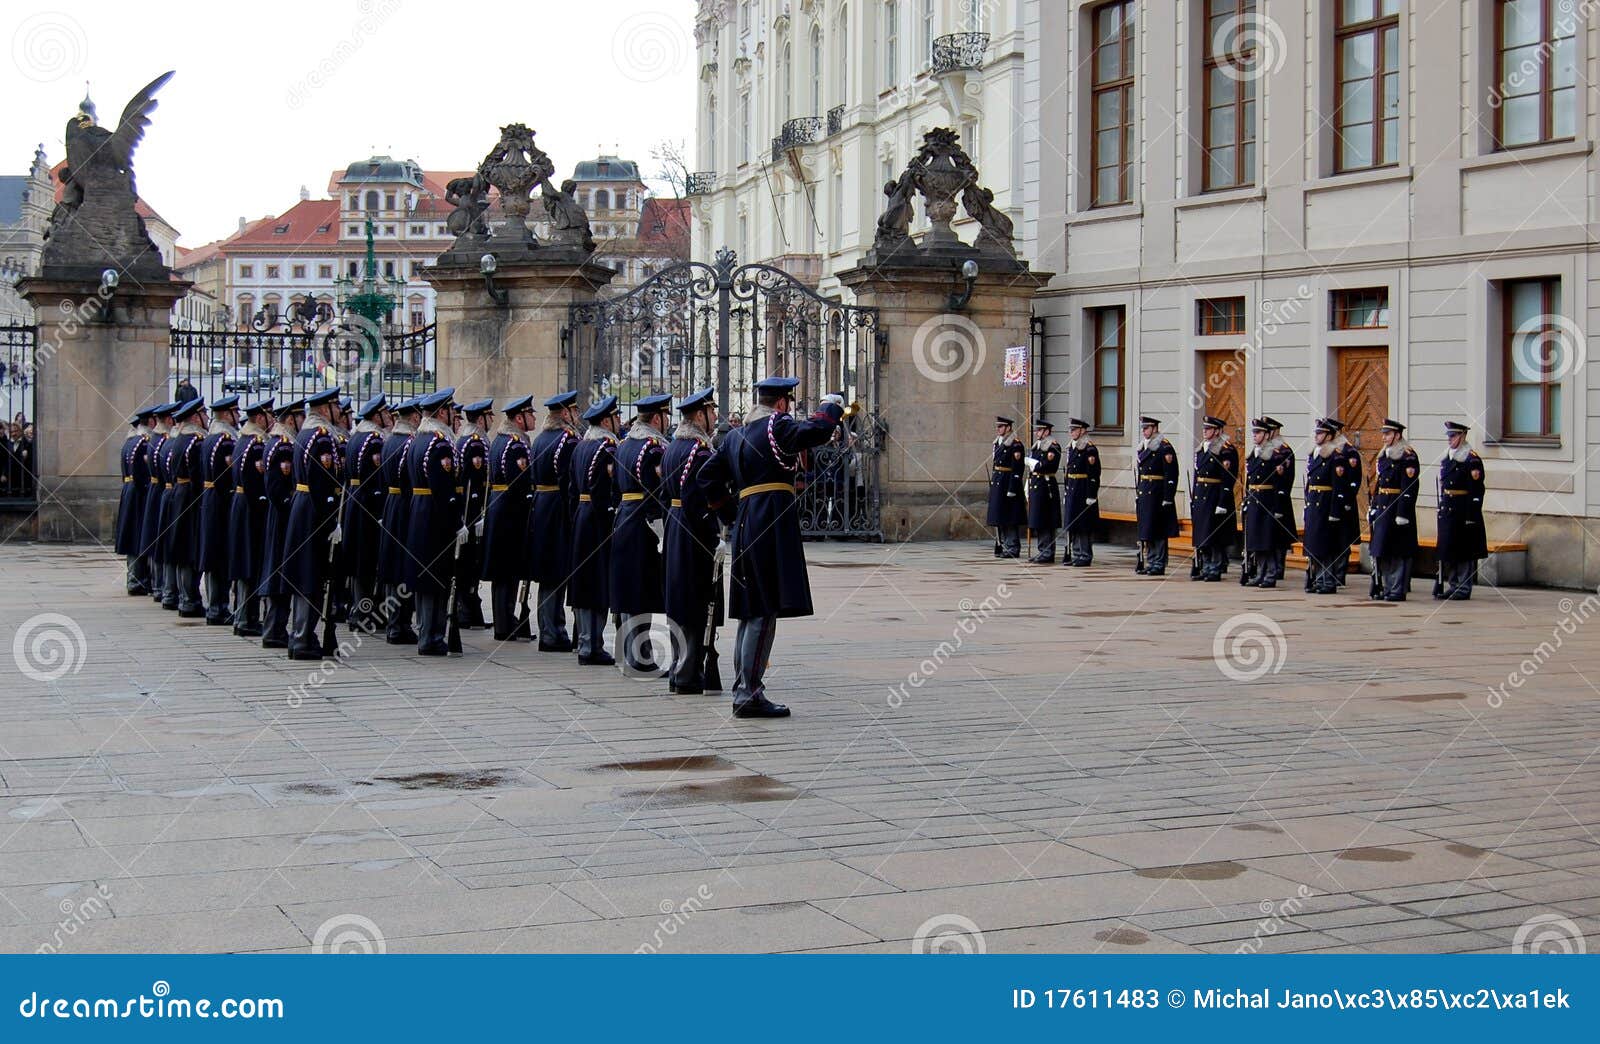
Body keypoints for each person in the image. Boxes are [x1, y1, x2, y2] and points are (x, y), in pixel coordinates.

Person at [697, 377, 845, 719]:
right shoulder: (775, 427)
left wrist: (731, 513)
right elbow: (817, 432)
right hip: (772, 522)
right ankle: (748, 693)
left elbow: (707, 477)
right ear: (781, 403)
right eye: (788, 404)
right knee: (763, 609)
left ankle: (744, 687)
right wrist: (831, 405)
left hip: (749, 521)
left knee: (753, 609)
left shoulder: (734, 436)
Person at [663, 387, 731, 695]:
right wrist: (713, 535)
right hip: (694, 533)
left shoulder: (672, 448)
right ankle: (689, 672)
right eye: (711, 411)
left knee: (679, 601)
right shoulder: (699, 452)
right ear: (699, 416)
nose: (715, 416)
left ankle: (679, 668)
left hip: (675, 527)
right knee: (697, 601)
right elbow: (698, 500)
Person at [611, 392, 673, 674]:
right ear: (657, 418)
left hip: (624, 517)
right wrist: (659, 527)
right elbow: (653, 491)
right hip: (642, 524)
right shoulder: (652, 448)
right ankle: (640, 655)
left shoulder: (624, 444)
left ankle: (627, 653)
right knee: (641, 590)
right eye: (666, 416)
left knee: (627, 587)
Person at [283, 387, 344, 660]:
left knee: (305, 574)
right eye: (335, 406)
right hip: (314, 510)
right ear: (324, 410)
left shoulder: (305, 433)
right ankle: (303, 637)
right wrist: (332, 520)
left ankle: (301, 635)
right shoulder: (321, 438)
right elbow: (323, 483)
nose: (340, 411)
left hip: (303, 506)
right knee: (311, 574)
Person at [404, 388, 463, 655]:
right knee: (435, 576)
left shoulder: (418, 439)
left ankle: (427, 631)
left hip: (419, 511)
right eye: (450, 410)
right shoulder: (439, 444)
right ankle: (431, 635)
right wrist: (457, 520)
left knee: (425, 575)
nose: (453, 415)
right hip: (434, 516)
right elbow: (443, 489)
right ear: (442, 413)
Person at [569, 395, 622, 666]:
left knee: (583, 580)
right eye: (616, 417)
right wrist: (612, 515)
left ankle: (585, 642)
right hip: (598, 518)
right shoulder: (607, 446)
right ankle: (593, 644)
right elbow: (605, 490)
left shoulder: (581, 446)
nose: (620, 422)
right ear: (606, 420)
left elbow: (571, 488)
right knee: (597, 581)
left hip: (581, 515)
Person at [528, 390, 581, 651]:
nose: (578, 416)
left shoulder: (540, 439)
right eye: (574, 411)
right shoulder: (567, 440)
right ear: (565, 414)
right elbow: (569, 481)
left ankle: (550, 629)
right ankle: (552, 632)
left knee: (549, 572)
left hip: (541, 505)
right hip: (558, 508)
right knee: (556, 572)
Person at [482, 395, 537, 642]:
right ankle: (504, 623)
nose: (534, 418)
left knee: (503, 569)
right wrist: (530, 504)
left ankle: (505, 620)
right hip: (510, 511)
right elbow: (520, 483)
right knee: (508, 569)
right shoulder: (515, 445)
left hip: (499, 507)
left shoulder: (499, 440)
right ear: (519, 418)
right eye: (530, 414)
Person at [258, 398, 305, 648]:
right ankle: (274, 629)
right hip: (283, 518)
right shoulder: (283, 447)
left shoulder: (276, 443)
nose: (303, 422)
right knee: (279, 573)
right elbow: (279, 490)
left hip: (279, 517)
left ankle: (275, 628)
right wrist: (293, 508)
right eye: (300, 418)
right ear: (290, 420)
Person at [343, 394, 390, 634]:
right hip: (368, 505)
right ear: (377, 415)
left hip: (354, 501)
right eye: (385, 413)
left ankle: (359, 611)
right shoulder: (374, 440)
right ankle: (364, 614)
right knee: (367, 563)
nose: (389, 417)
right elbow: (376, 480)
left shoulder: (356, 436)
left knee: (361, 562)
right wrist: (380, 510)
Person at [228, 397, 274, 637]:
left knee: (246, 562)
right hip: (251, 508)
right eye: (269, 415)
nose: (273, 420)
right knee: (250, 563)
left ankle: (243, 616)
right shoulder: (256, 444)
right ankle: (247, 618)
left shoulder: (244, 439)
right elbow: (255, 482)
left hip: (242, 505)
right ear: (259, 418)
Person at [378, 396, 421, 644]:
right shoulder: (408, 443)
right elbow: (409, 478)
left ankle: (396, 623)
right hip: (405, 506)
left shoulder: (389, 440)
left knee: (393, 565)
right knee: (402, 567)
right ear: (414, 417)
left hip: (391, 504)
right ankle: (399, 624)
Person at [197, 394, 241, 625]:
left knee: (214, 553)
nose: (239, 416)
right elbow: (228, 476)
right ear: (226, 414)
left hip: (211, 498)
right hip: (220, 501)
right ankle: (218, 606)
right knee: (218, 555)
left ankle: (217, 605)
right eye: (235, 412)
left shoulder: (211, 437)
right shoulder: (225, 440)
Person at [166, 397, 209, 618]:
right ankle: (190, 599)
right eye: (204, 414)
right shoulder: (196, 440)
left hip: (179, 495)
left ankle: (186, 598)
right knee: (190, 549)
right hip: (191, 497)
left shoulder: (179, 439)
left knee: (182, 548)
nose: (207, 418)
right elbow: (198, 475)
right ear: (195, 417)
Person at [1368, 418, 1420, 602]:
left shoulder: (1407, 456)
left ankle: (1398, 589)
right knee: (1385, 550)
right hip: (1383, 507)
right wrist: (1373, 507)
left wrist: (1402, 513)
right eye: (1383, 434)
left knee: (1399, 551)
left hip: (1397, 508)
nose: (1384, 437)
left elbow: (1409, 487)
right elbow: (1379, 484)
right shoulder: (1384, 455)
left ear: (1397, 435)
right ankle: (1388, 587)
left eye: (1388, 434)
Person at [1435, 420, 1487, 600]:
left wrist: (1472, 514)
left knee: (1464, 551)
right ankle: (1454, 584)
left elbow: (1477, 490)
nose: (1450, 439)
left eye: (1453, 436)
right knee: (1450, 549)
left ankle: (1464, 587)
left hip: (1463, 510)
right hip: (1449, 509)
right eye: (1448, 436)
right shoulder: (1447, 458)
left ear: (1463, 436)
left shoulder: (1471, 459)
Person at [1241, 416, 1296, 588]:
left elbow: (1281, 482)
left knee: (1268, 541)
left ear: (1267, 434)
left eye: (1258, 433)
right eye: (1254, 433)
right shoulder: (1254, 455)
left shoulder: (1276, 455)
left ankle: (1271, 574)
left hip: (1268, 501)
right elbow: (1250, 480)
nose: (1255, 436)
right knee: (1257, 541)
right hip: (1255, 500)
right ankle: (1260, 574)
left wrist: (1279, 505)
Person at [453, 399, 493, 630]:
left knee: (469, 563)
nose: (492, 421)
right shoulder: (476, 443)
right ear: (481, 419)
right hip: (472, 511)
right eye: (489, 416)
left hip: (469, 511)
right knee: (470, 562)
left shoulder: (465, 439)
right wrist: (478, 515)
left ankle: (468, 607)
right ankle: (467, 609)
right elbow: (475, 483)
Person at [114, 406, 159, 595]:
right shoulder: (144, 442)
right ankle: (138, 579)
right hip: (139, 493)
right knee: (139, 536)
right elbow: (144, 474)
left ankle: (135, 578)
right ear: (150, 422)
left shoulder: (130, 441)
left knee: (133, 535)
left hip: (129, 490)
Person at [1190, 415, 1238, 582]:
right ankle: (1206, 566)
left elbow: (1228, 477)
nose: (1205, 431)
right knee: (1203, 535)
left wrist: (1223, 501)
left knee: (1214, 535)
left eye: (1208, 429)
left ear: (1217, 431)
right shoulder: (1202, 448)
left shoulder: (1226, 449)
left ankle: (1215, 567)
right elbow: (1198, 475)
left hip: (1215, 496)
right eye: (1204, 429)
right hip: (1202, 496)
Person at [1302, 418, 1347, 595]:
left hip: (1326, 505)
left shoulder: (1336, 456)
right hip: (1314, 503)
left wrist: (1335, 511)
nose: (1316, 436)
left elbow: (1339, 486)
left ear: (1329, 435)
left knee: (1326, 546)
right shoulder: (1315, 454)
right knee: (1315, 545)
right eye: (1316, 433)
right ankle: (1318, 579)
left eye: (1320, 433)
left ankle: (1328, 581)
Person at [138, 403, 175, 605]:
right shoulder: (164, 440)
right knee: (161, 541)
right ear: (168, 420)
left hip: (156, 490)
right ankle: (161, 586)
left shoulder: (154, 439)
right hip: (163, 489)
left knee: (156, 540)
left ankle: (159, 586)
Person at [1133, 416, 1180, 576]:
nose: (1144, 431)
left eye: (1146, 428)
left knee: (1158, 530)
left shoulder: (1164, 447)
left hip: (1158, 493)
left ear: (1154, 428)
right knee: (1148, 529)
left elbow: (1171, 474)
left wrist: (1168, 497)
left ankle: (1159, 563)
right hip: (1146, 491)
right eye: (1143, 428)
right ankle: (1151, 560)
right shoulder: (1143, 448)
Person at [1061, 418, 1100, 567]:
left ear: (1082, 430)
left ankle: (1085, 554)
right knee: (1074, 524)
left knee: (1083, 524)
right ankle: (1077, 553)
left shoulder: (1089, 449)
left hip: (1083, 490)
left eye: (1074, 430)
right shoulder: (1072, 447)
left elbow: (1094, 474)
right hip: (1073, 488)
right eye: (1070, 430)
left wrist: (1091, 495)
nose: (1071, 433)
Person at [1329, 418, 1362, 586]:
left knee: (1343, 539)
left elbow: (1354, 480)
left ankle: (1339, 573)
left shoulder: (1349, 452)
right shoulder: (1328, 452)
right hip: (1330, 502)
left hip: (1344, 503)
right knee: (1331, 538)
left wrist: (1347, 501)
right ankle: (1330, 571)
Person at [987, 415, 1026, 558]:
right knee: (1000, 516)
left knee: (1010, 517)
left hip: (1008, 482)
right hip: (998, 481)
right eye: (997, 426)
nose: (998, 429)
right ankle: (1003, 545)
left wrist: (1012, 488)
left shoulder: (1015, 445)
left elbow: (1017, 469)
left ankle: (1013, 547)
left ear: (1008, 428)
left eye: (1001, 427)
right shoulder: (998, 443)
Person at [1025, 419, 1062, 564]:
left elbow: (1047, 466)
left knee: (1046, 520)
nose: (1037, 433)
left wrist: (1033, 464)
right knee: (1038, 520)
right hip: (1036, 484)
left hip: (1046, 486)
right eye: (1037, 430)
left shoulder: (1053, 447)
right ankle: (1042, 550)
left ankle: (1047, 552)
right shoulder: (1037, 446)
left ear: (1046, 431)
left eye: (1039, 430)